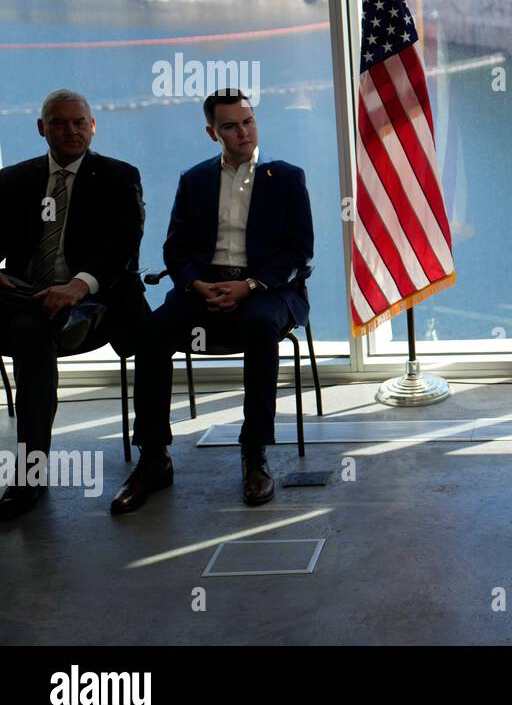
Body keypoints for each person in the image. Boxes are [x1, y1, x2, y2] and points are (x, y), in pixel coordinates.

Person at [112, 89, 313, 513]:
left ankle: (254, 452)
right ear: (211, 132)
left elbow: (299, 253)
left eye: (248, 121)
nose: (243, 132)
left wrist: (251, 286)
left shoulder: (287, 178)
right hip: (205, 287)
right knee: (150, 333)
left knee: (259, 327)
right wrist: (195, 284)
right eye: (230, 126)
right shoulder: (196, 179)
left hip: (265, 290)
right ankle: (154, 457)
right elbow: (175, 250)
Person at [0, 89, 147, 519]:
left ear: (93, 126)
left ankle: (30, 475)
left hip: (93, 300)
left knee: (31, 332)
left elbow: (123, 248)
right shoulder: (13, 180)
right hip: (24, 292)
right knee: (30, 318)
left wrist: (77, 286)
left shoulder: (119, 177)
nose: (71, 131)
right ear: (41, 128)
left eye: (79, 122)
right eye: (60, 123)